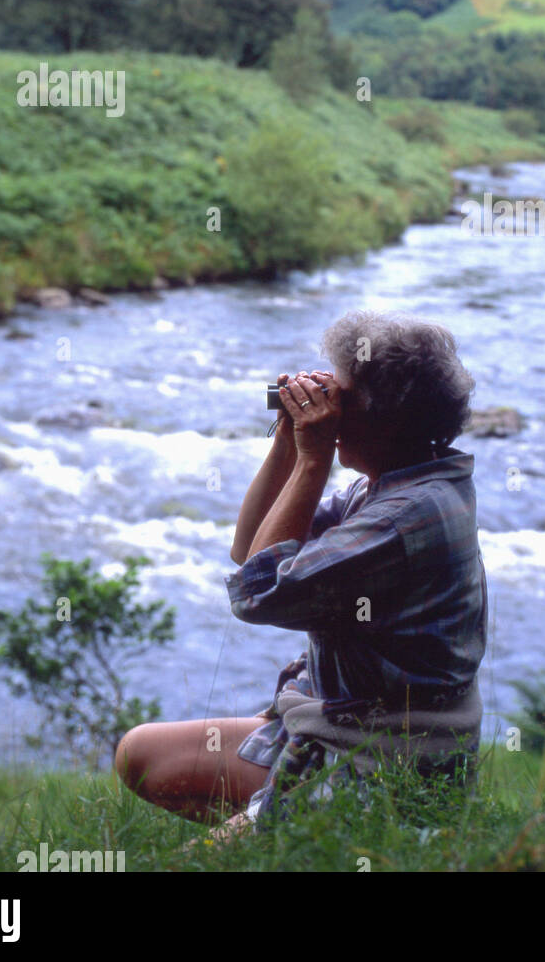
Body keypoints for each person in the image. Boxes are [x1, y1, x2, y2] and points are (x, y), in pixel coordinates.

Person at [114, 310, 487, 833]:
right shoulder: (395, 481)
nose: (328, 404)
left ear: (385, 420)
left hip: (383, 762)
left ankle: (299, 836)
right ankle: (269, 831)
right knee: (142, 754)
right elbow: (250, 551)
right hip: (341, 727)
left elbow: (257, 593)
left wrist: (314, 460)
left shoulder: (406, 516)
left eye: (342, 395)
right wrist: (288, 443)